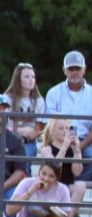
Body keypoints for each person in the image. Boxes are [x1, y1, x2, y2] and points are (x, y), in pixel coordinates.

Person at [45, 51, 92, 181]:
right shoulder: (53, 93)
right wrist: (64, 146)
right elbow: (50, 125)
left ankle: (79, 187)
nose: (74, 72)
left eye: (78, 68)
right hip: (57, 141)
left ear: (84, 70)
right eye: (71, 68)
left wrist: (79, 146)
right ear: (64, 70)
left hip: (86, 142)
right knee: (49, 155)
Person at [39, 119, 85, 217]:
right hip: (50, 188)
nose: (65, 131)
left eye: (67, 129)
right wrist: (64, 146)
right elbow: (54, 166)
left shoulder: (72, 149)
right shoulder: (47, 149)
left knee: (81, 185)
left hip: (67, 187)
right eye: (61, 128)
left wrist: (77, 151)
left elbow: (77, 172)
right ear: (52, 131)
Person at [3, 62, 46, 159]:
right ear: (18, 79)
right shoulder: (7, 99)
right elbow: (4, 126)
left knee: (24, 154)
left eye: (33, 77)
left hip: (28, 142)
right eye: (27, 77)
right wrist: (19, 130)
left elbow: (37, 130)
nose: (31, 80)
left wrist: (25, 138)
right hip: (8, 140)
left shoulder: (39, 101)